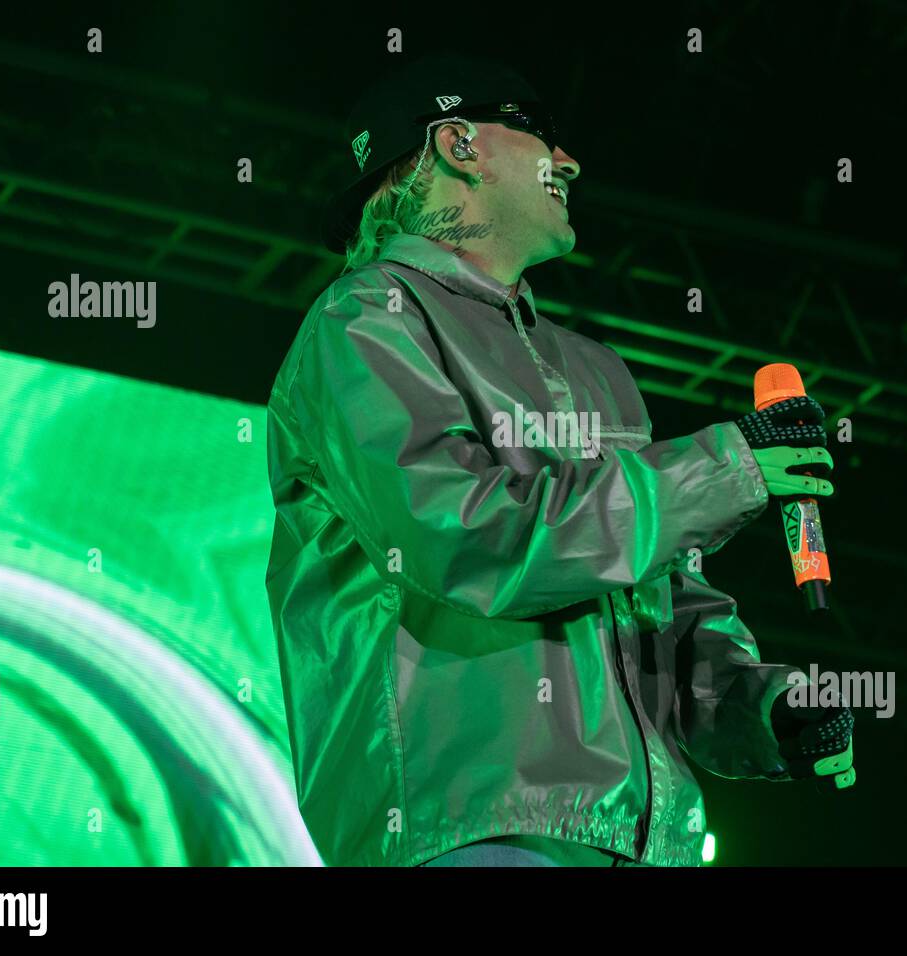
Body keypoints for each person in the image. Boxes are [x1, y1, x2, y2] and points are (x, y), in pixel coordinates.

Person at [264, 52, 854, 868]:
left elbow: (658, 608)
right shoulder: (365, 319)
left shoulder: (596, 370)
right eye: (538, 131)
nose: (569, 161)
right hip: (475, 829)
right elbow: (461, 535)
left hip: (642, 847)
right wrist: (723, 468)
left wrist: (761, 707)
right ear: (458, 143)